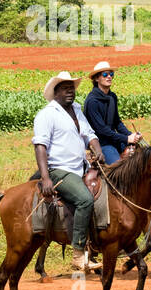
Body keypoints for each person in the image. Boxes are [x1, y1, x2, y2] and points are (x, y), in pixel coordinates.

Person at [33, 72, 103, 273]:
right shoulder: (47, 114)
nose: (70, 91)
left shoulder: (77, 110)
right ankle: (79, 254)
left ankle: (100, 243)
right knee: (84, 200)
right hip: (60, 170)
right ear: (55, 92)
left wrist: (97, 150)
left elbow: (89, 134)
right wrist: (45, 177)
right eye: (65, 88)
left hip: (81, 166)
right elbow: (40, 146)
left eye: (72, 87)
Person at [83, 61, 141, 164]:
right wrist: (126, 138)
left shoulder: (112, 97)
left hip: (113, 139)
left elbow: (117, 122)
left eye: (111, 74)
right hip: (101, 143)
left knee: (142, 156)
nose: (109, 77)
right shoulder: (92, 101)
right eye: (105, 74)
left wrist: (132, 135)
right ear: (96, 79)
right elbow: (102, 131)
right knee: (119, 169)